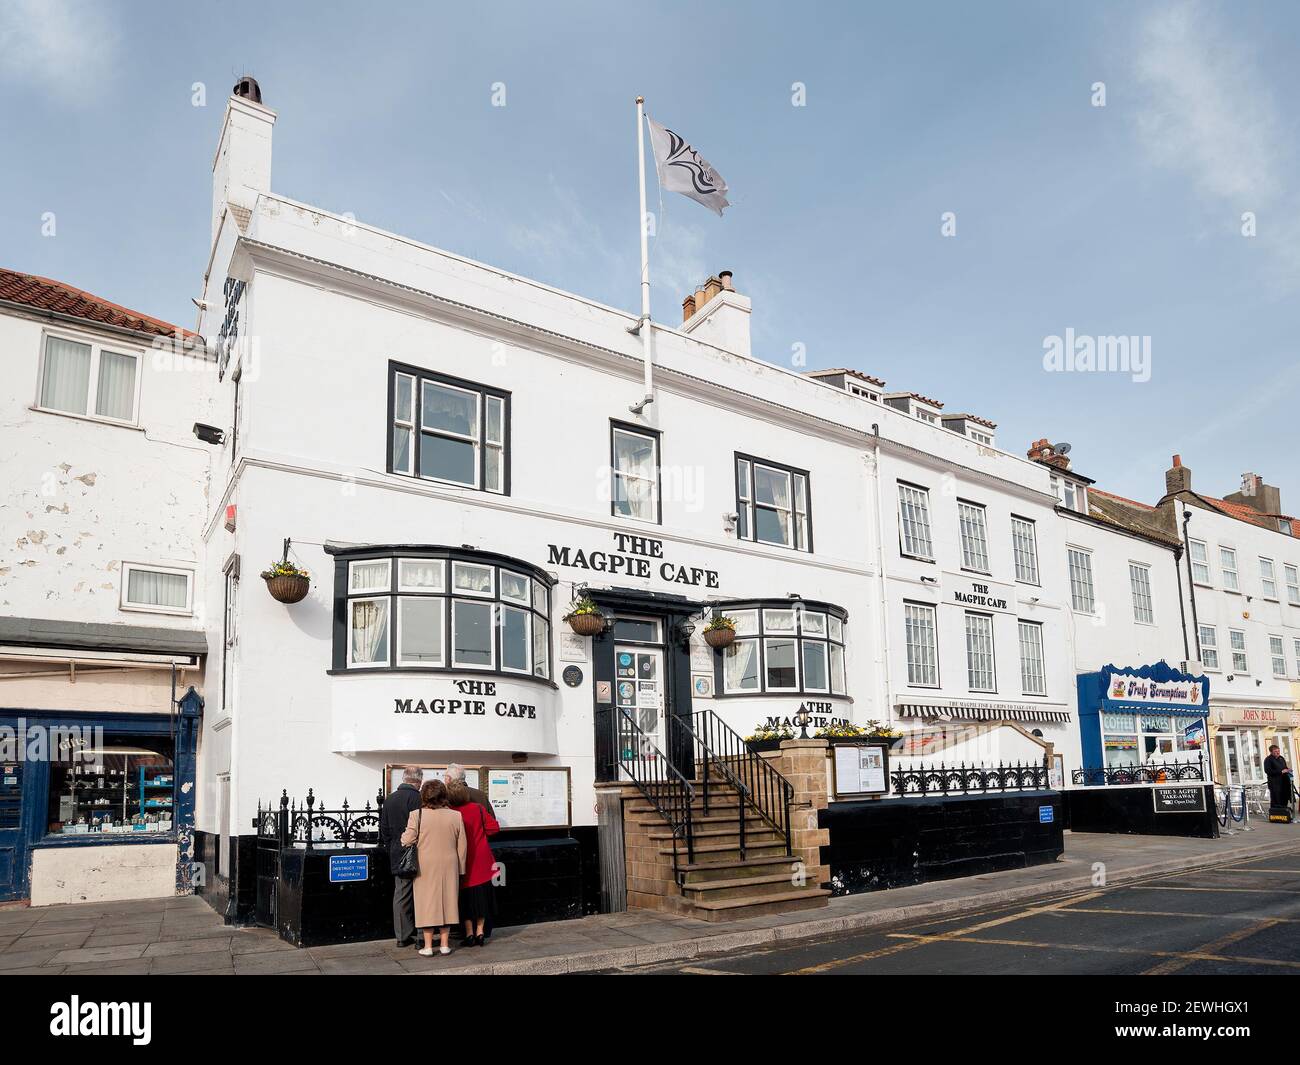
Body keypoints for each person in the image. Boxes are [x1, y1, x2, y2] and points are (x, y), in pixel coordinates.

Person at [400, 779, 466, 956]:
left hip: (425, 865)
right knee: (448, 902)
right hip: (450, 864)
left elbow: (406, 840)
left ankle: (428, 946)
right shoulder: (456, 815)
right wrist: (461, 869)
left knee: (426, 903)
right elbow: (462, 846)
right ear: (444, 795)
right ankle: (445, 944)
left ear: (424, 795)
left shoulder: (417, 815)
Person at [448, 780, 500, 947]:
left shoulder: (450, 812)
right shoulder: (477, 808)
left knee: (465, 897)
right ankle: (480, 931)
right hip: (481, 857)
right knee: (482, 896)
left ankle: (469, 933)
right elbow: (494, 828)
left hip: (461, 858)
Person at [378, 766, 423, 946]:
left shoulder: (390, 799)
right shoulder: (418, 798)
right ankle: (422, 935)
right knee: (422, 894)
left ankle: (402, 936)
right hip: (419, 852)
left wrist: (393, 847)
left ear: (404, 778)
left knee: (401, 895)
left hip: (398, 853)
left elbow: (384, 829)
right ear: (419, 781)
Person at [1264, 744, 1293, 810]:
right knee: (1276, 798)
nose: (1278, 753)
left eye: (1278, 751)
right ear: (1271, 752)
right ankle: (1276, 812)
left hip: (1284, 782)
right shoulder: (1268, 760)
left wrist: (1288, 769)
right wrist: (1281, 771)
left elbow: (1284, 767)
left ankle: (1284, 810)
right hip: (1274, 783)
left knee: (1284, 797)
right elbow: (1268, 771)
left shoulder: (1281, 758)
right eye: (1275, 751)